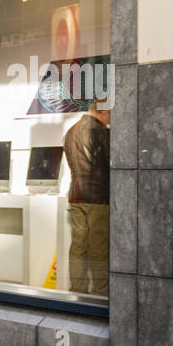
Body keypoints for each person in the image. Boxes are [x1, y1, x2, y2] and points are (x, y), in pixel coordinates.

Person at [63, 102, 110, 296]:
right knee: (99, 248)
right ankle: (100, 293)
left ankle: (78, 291)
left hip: (76, 195)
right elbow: (110, 163)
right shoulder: (101, 132)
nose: (110, 117)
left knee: (78, 247)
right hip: (98, 198)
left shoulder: (70, 131)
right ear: (103, 111)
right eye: (109, 113)